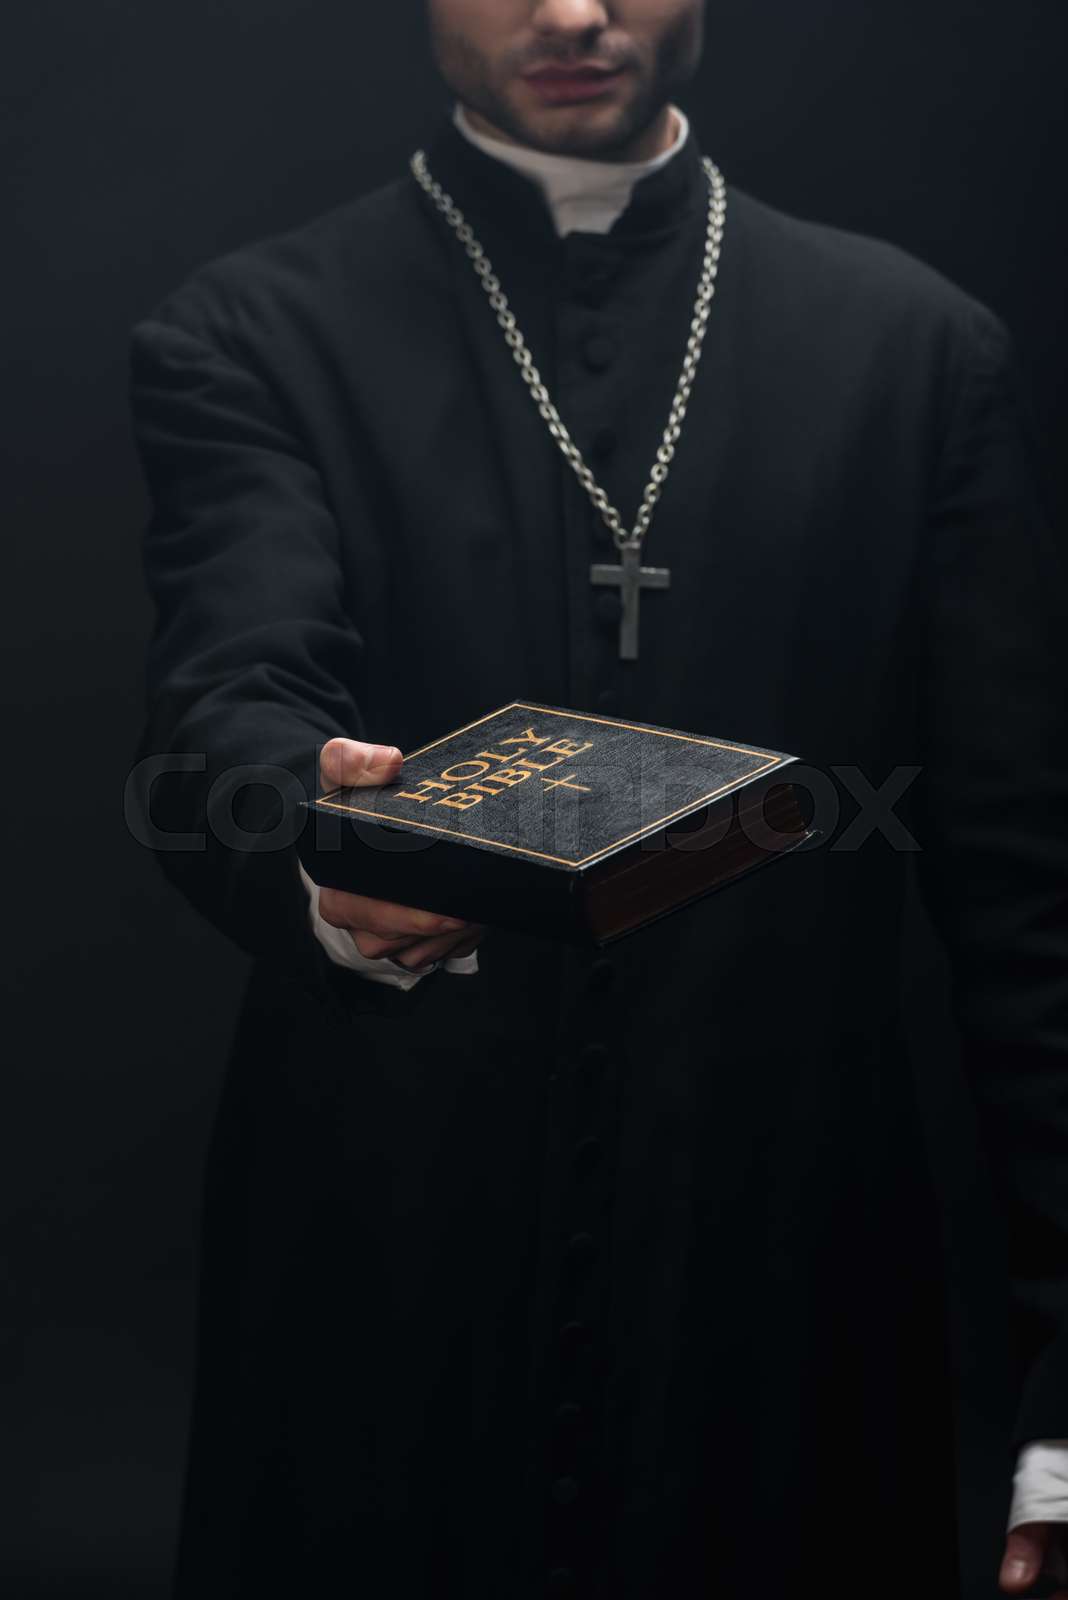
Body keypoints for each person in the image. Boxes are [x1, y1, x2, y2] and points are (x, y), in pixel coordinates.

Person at [129, 2, 1068, 1595]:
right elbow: (234, 685)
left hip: (792, 1258)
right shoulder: (252, 330)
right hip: (388, 1264)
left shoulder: (916, 347)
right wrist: (314, 824)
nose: (574, 9)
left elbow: (1030, 892)